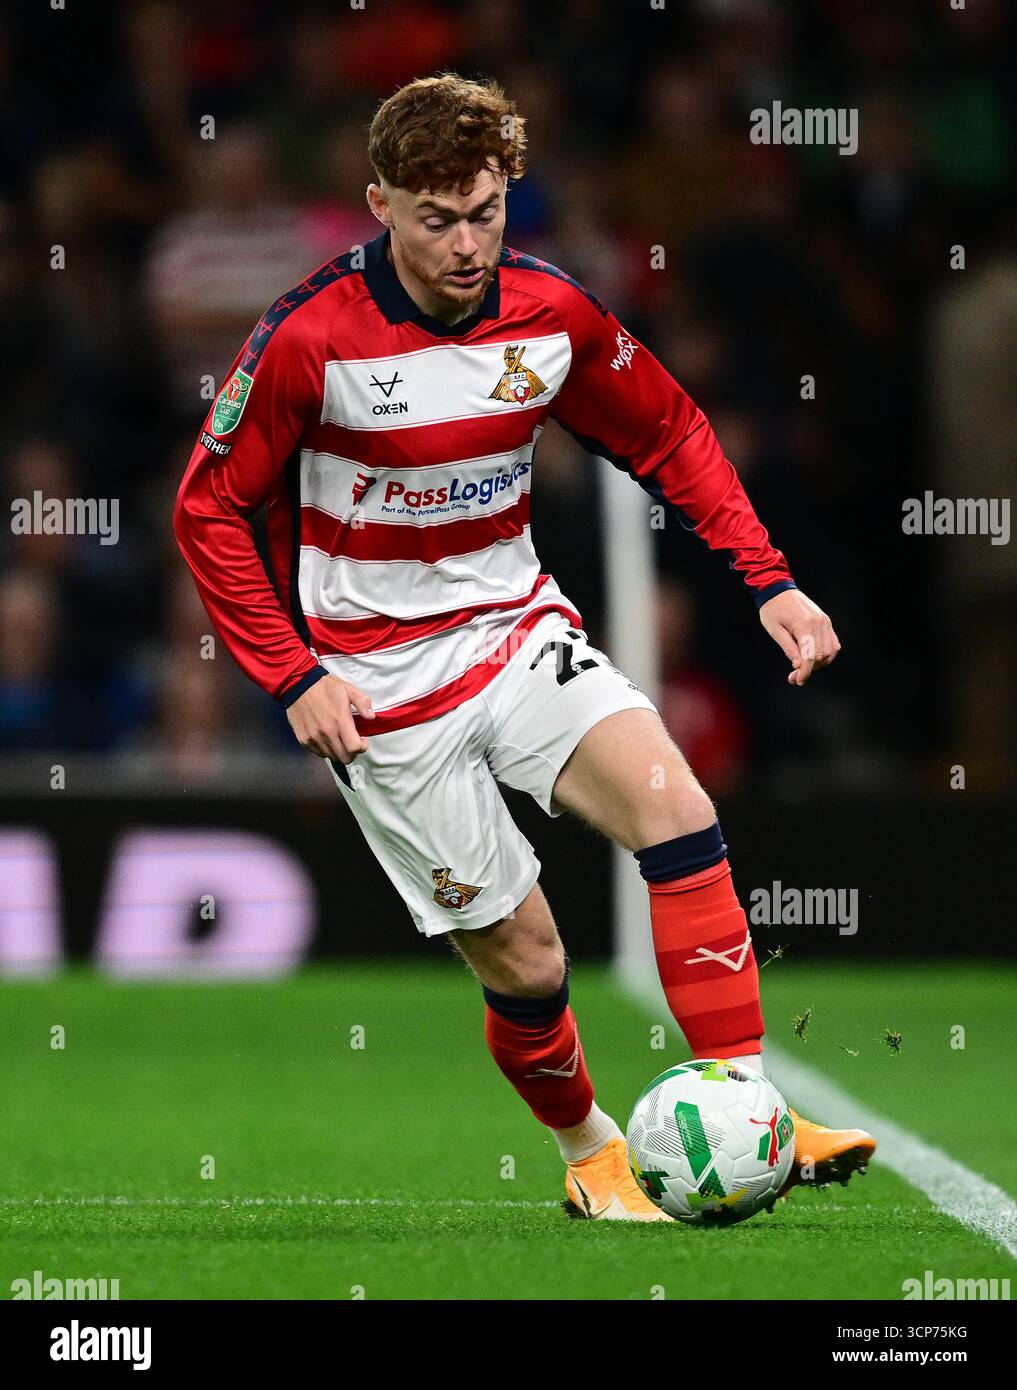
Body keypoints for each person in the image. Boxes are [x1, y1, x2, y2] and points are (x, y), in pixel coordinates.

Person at [174, 73, 874, 1220]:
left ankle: (748, 1105)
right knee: (532, 961)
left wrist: (771, 582)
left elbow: (671, 432)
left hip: (516, 628)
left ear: (511, 198)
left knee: (678, 808)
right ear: (379, 205)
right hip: (382, 687)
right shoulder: (308, 340)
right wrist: (292, 673)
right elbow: (206, 509)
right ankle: (591, 1152)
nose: (465, 242)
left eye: (485, 211)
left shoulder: (552, 316)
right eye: (436, 216)